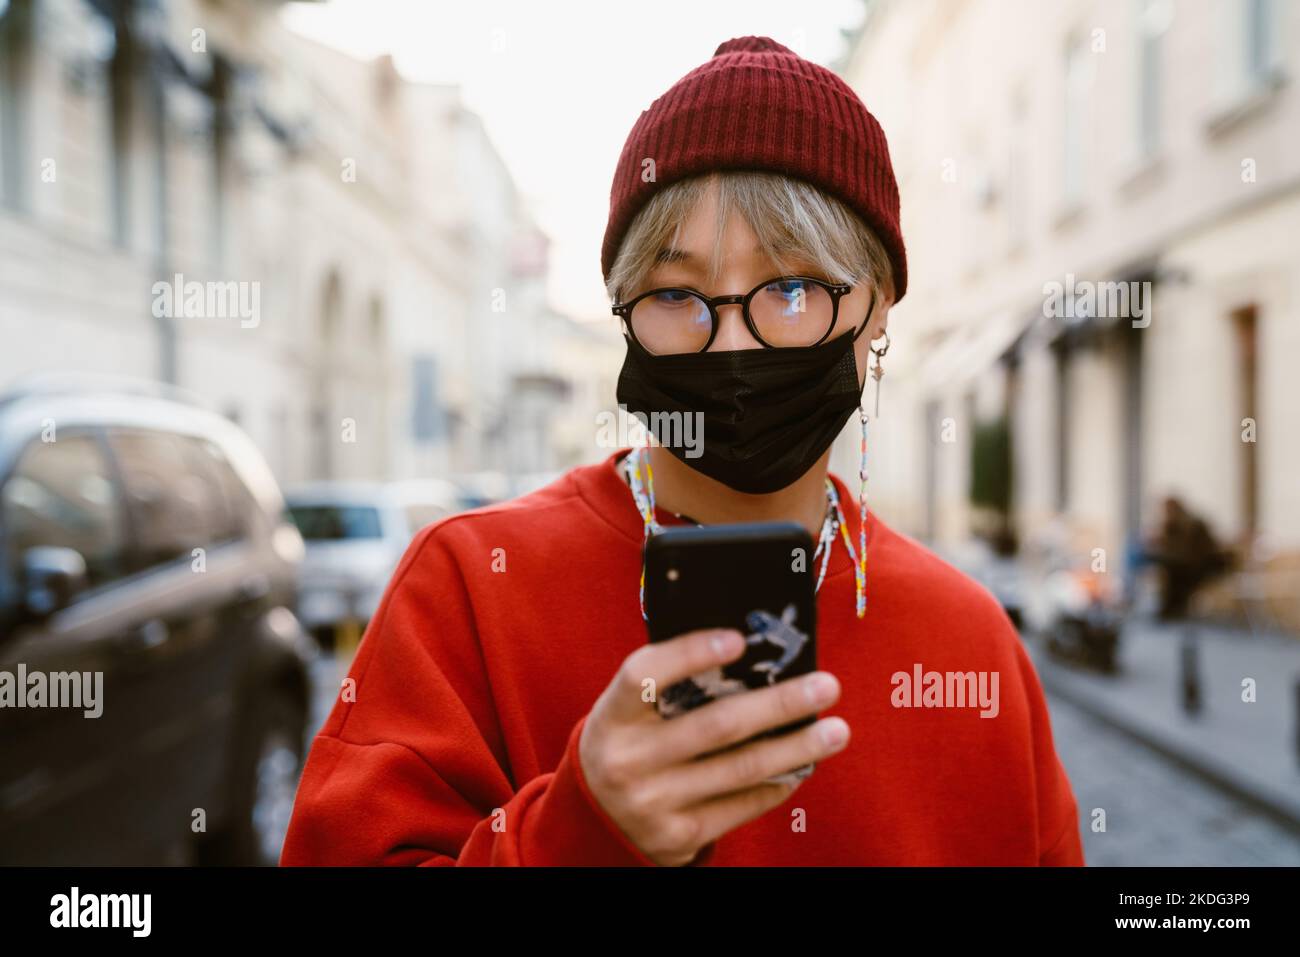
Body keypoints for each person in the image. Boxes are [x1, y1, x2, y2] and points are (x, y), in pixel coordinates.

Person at [280, 36, 1084, 867]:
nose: (730, 342)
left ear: (878, 309)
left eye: (792, 288)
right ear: (624, 313)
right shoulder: (469, 590)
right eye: (676, 294)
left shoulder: (969, 640)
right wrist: (579, 835)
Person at [1143, 495, 1230, 621]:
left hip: (1200, 566)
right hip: (1185, 565)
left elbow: (1185, 553)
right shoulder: (1173, 525)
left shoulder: (1191, 525)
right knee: (1162, 565)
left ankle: (1172, 609)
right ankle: (1171, 608)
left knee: (1170, 569)